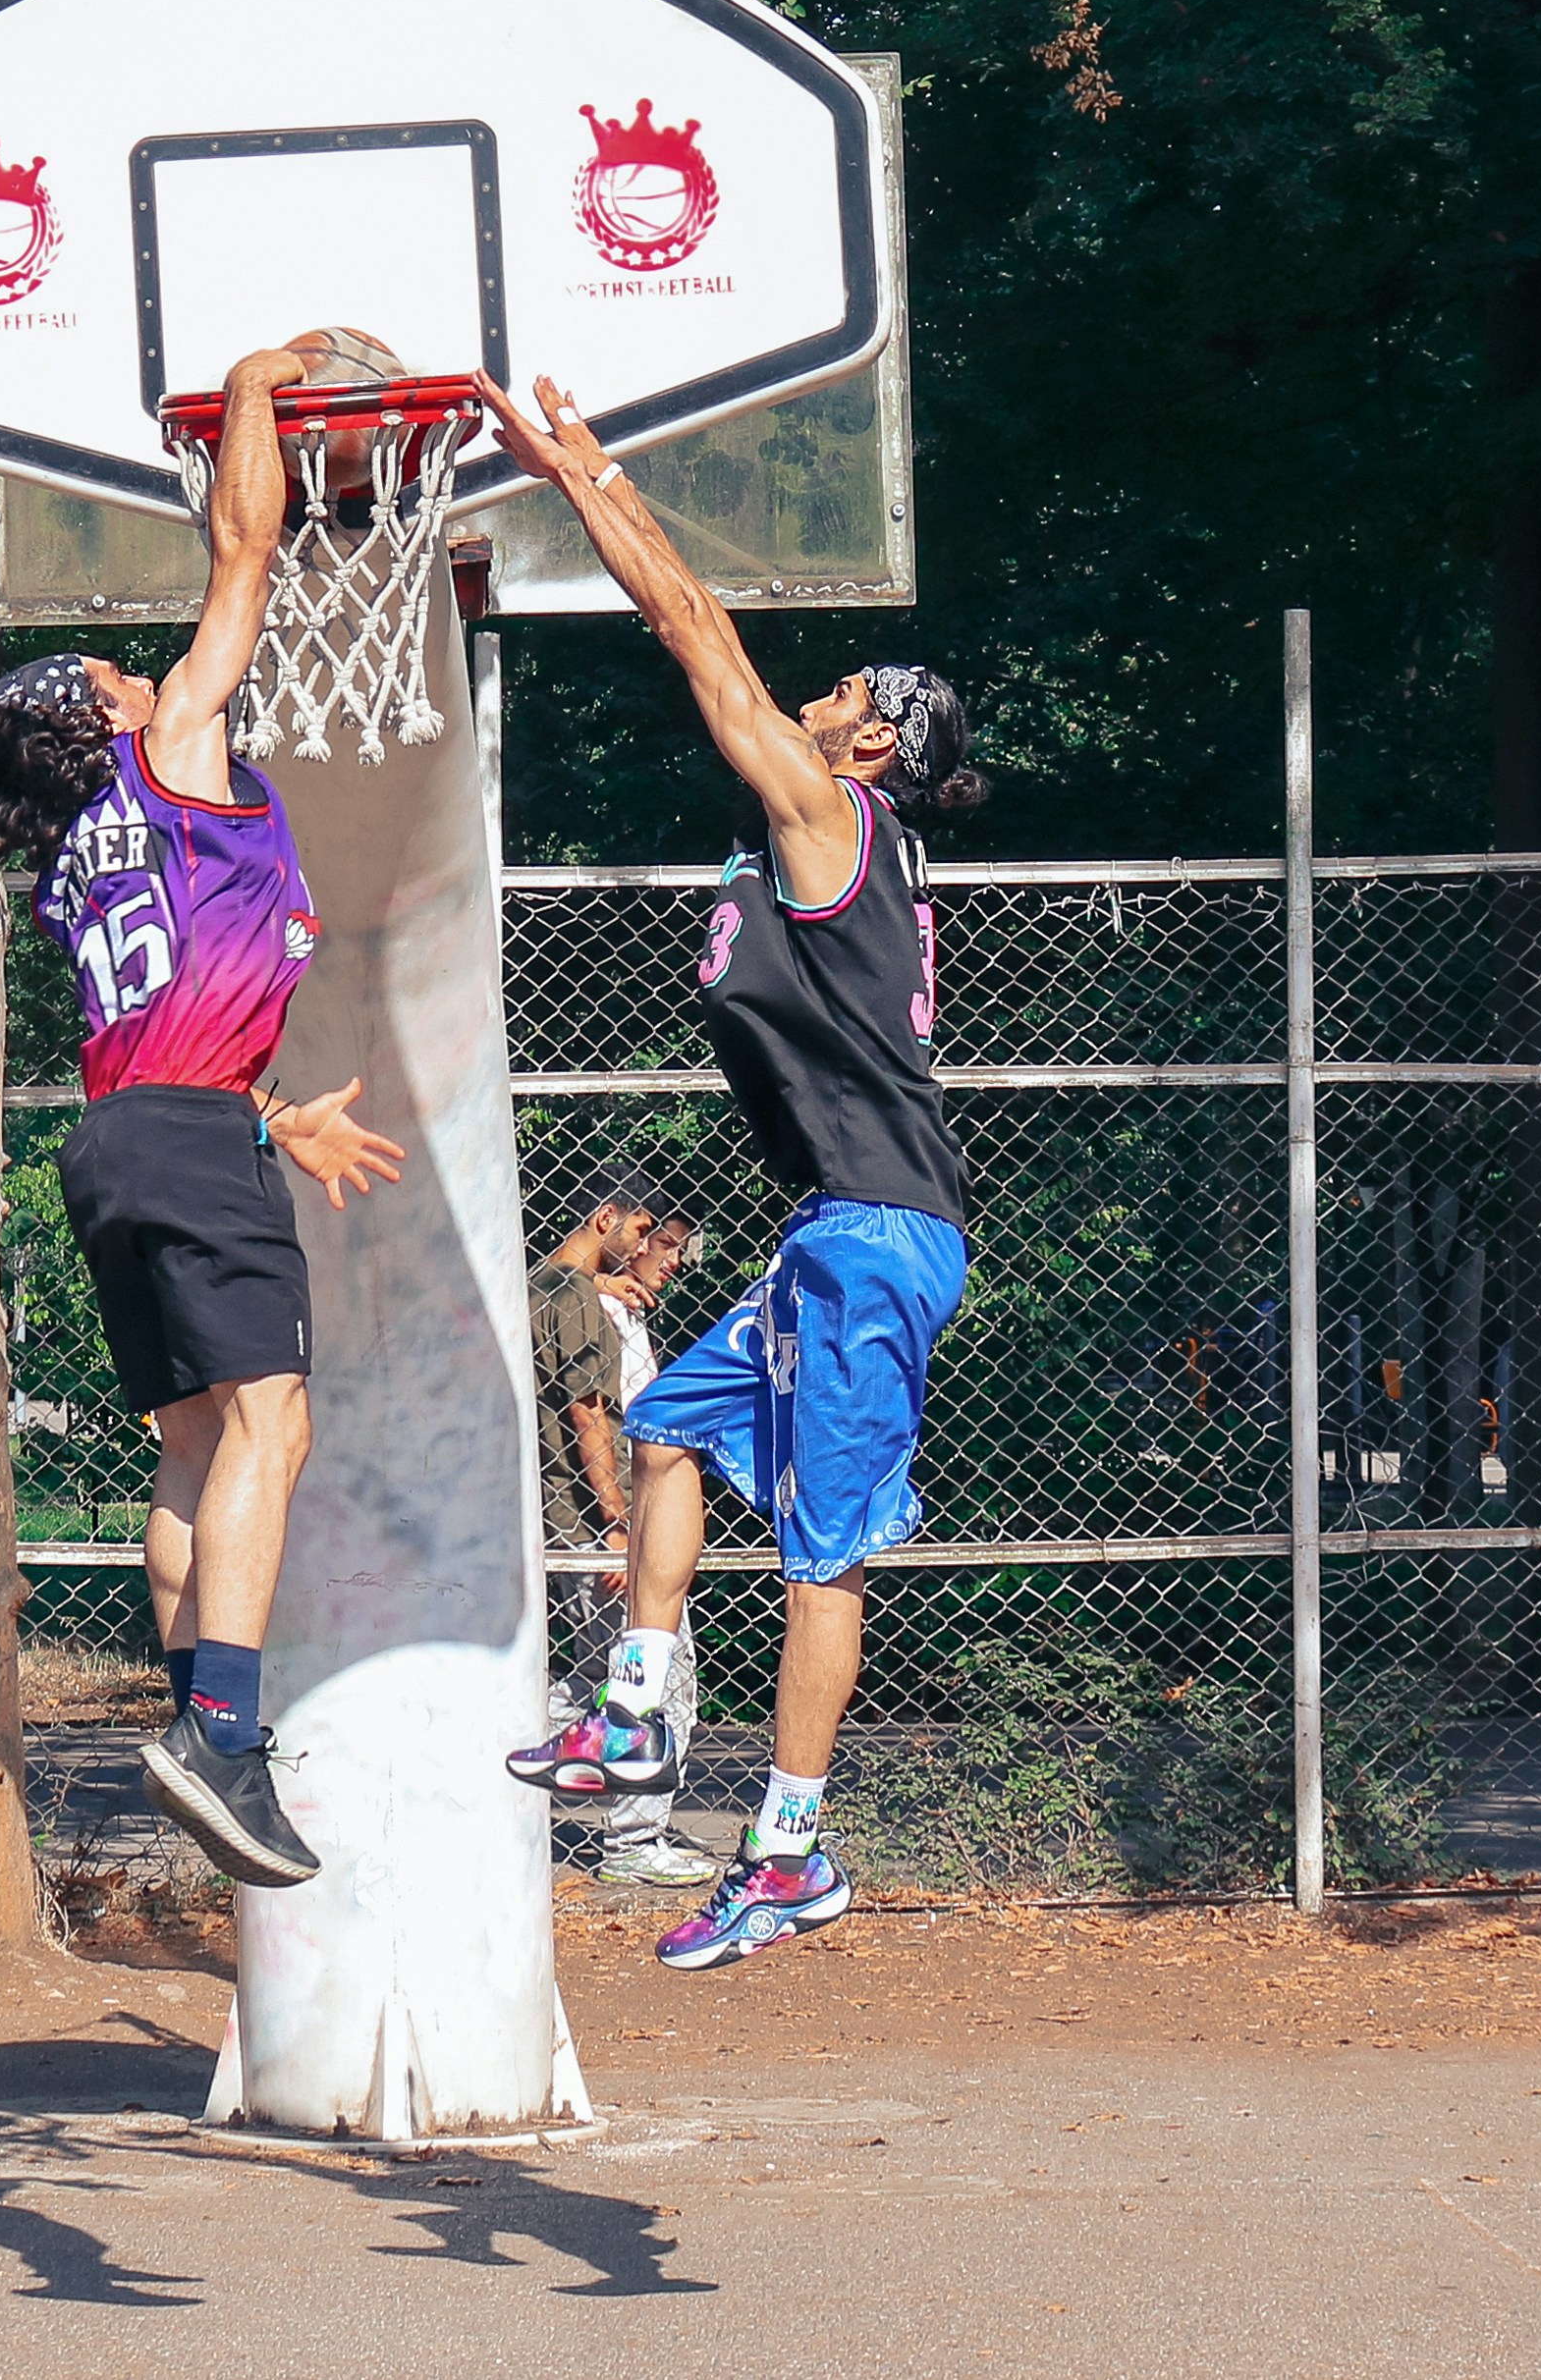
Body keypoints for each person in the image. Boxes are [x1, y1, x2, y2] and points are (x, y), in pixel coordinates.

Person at [488, 375, 987, 1973]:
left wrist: (585, 474)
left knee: (819, 1554)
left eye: (841, 681)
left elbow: (693, 624)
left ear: (876, 736)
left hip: (874, 1238)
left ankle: (785, 1846)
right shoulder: (828, 840)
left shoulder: (827, 810)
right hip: (833, 1232)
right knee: (665, 1433)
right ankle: (631, 1714)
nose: (813, 689)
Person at [0, 345, 408, 1889]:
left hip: (132, 1139)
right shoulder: (163, 758)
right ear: (99, 717)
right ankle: (221, 1733)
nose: (144, 669)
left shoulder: (79, 854)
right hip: (184, 1139)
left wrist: (272, 1118)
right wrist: (255, 384)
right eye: (119, 676)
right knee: (273, 1420)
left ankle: (200, 1714)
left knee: (195, 1445)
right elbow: (245, 549)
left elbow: (166, 1025)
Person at [532, 1174, 715, 1887]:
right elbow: (589, 1419)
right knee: (664, 1678)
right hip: (603, 1524)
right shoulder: (580, 1299)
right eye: (655, 1238)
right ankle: (634, 1840)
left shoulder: (585, 1294)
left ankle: (479, 1764)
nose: (666, 1256)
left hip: (605, 1521)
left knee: (591, 1684)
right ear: (609, 1220)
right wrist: (622, 1525)